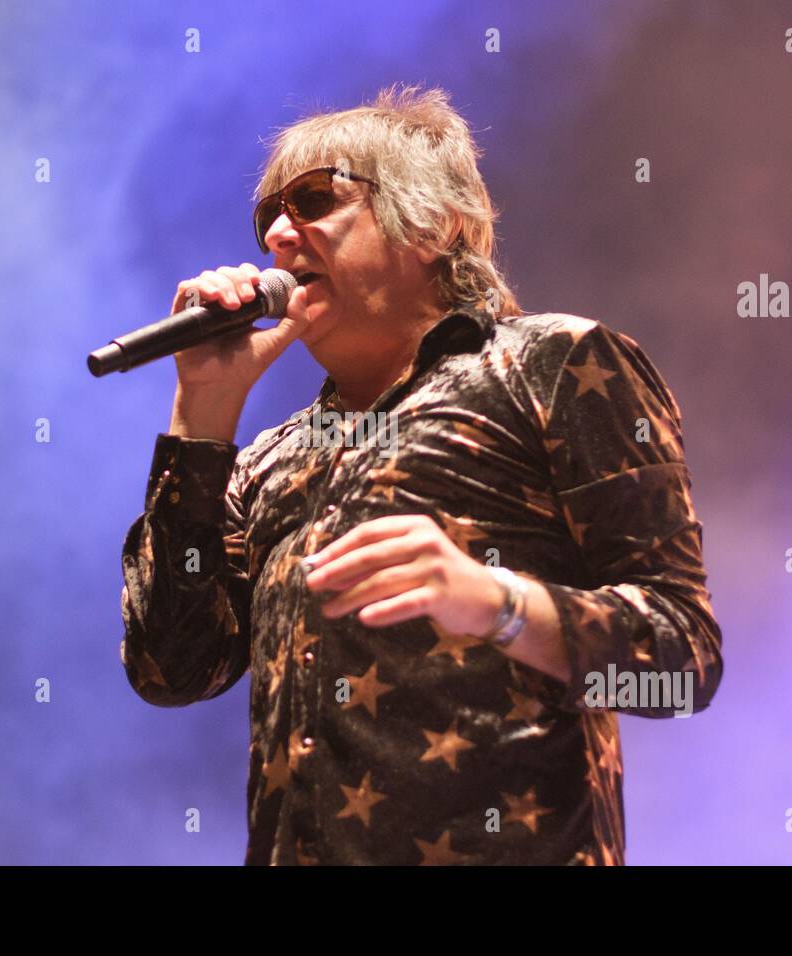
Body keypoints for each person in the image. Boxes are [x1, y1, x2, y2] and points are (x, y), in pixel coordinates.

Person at [119, 84, 723, 865]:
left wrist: (498, 604)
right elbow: (172, 669)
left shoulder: (551, 364)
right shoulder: (269, 456)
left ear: (433, 224)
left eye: (314, 198)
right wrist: (202, 413)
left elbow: (683, 661)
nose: (276, 235)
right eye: (266, 214)